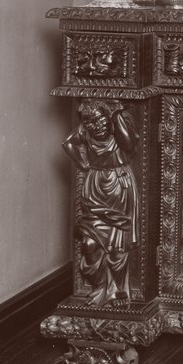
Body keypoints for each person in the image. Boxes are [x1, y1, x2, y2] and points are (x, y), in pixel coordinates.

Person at [63, 100, 138, 306]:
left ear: (108, 116)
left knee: (117, 246)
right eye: (91, 123)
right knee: (89, 243)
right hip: (95, 186)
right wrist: (83, 163)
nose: (97, 126)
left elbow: (130, 144)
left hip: (119, 184)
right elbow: (68, 143)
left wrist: (116, 114)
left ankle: (118, 291)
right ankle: (99, 289)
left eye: (100, 119)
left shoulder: (118, 125)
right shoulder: (85, 131)